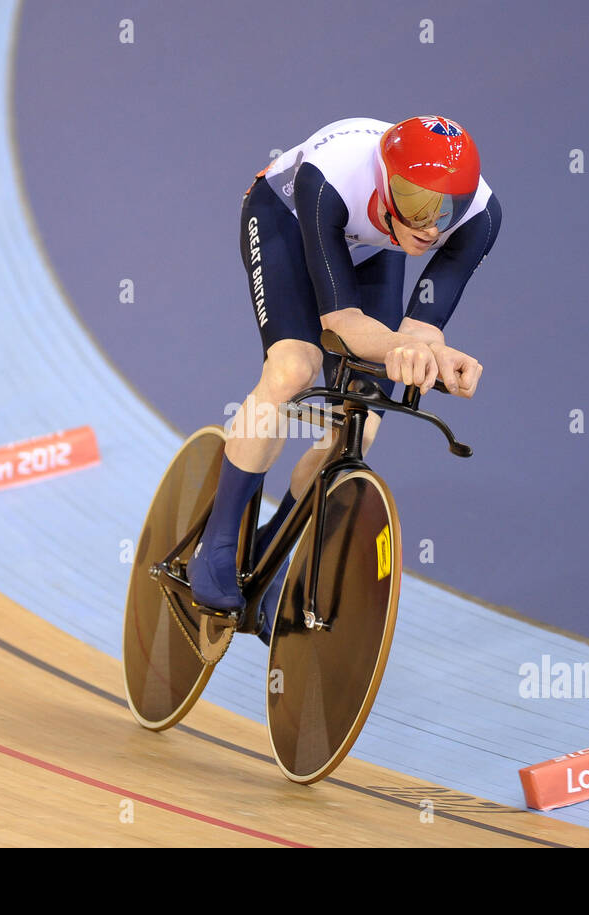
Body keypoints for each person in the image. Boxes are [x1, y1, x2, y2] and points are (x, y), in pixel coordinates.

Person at [188, 115, 502, 642]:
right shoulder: (332, 178)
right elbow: (342, 324)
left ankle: (272, 548)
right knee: (294, 368)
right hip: (287, 219)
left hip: (373, 245)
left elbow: (420, 329)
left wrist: (441, 359)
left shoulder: (479, 219)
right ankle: (216, 545)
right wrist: (405, 348)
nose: (429, 226)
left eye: (444, 209)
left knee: (361, 424)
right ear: (383, 177)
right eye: (417, 203)